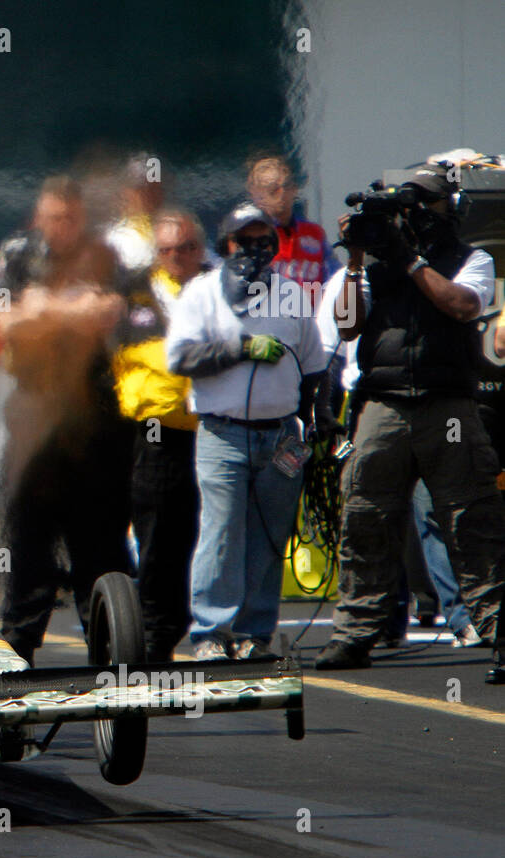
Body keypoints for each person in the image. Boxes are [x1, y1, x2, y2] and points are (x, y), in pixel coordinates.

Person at [315, 163, 505, 682]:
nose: (415, 212)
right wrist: (357, 261)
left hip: (449, 408)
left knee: (473, 521)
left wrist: (411, 261)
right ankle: (355, 635)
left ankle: (498, 633)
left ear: (450, 208)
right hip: (384, 404)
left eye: (426, 201)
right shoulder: (373, 263)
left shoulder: (473, 260)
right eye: (407, 203)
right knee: (366, 518)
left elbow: (462, 306)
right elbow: (348, 326)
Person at [165, 203, 328, 660]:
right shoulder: (200, 293)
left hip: (281, 435)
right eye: (244, 240)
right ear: (226, 244)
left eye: (263, 240)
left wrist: (323, 418)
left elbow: (315, 368)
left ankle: (256, 634)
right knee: (221, 534)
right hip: (223, 433)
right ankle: (212, 634)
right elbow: (180, 358)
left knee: (270, 536)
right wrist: (239, 348)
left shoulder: (292, 293)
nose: (254, 249)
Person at [0, 175, 134, 665]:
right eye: (53, 217)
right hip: (34, 413)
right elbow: (5, 322)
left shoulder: (103, 254)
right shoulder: (16, 253)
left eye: (70, 217)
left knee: (101, 545)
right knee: (26, 544)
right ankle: (16, 658)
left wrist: (42, 309)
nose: (61, 227)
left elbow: (107, 312)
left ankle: (112, 655)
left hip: (94, 414)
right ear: (40, 216)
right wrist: (69, 310)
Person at [111, 209, 209, 660]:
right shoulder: (134, 294)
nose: (177, 257)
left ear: (200, 249)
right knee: (159, 537)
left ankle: (219, 628)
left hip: (214, 429)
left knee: (212, 532)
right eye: (167, 249)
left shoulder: (220, 288)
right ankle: (155, 632)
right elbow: (133, 356)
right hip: (157, 432)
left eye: (186, 247)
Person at [246, 155, 340, 306]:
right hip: (267, 321)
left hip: (310, 322)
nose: (282, 193)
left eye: (287, 185)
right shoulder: (249, 236)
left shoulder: (314, 233)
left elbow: (335, 281)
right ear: (256, 194)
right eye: (272, 189)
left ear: (295, 189)